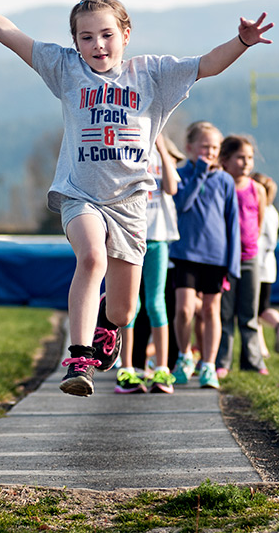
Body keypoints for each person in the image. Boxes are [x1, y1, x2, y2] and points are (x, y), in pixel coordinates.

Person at [0, 0, 272, 397]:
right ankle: (78, 356)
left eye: (106, 34)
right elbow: (6, 31)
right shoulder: (65, 69)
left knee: (126, 311)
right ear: (74, 42)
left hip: (130, 202)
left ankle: (109, 326)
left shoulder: (153, 74)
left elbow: (207, 65)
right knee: (91, 258)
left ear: (126, 34)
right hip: (79, 194)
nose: (97, 45)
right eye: (86, 37)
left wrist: (241, 41)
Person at [169, 121, 241, 389]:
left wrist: (232, 263)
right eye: (204, 147)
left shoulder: (224, 180)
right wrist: (198, 173)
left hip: (216, 257)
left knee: (212, 311)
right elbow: (183, 204)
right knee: (184, 309)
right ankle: (184, 356)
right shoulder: (180, 175)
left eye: (214, 147)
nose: (210, 152)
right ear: (189, 148)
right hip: (186, 253)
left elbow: (232, 222)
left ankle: (209, 364)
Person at [115, 135, 181, 394]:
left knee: (156, 302)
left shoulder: (159, 151)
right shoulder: (128, 147)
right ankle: (128, 368)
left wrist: (163, 149)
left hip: (158, 236)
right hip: (131, 235)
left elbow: (172, 187)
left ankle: (162, 369)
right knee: (131, 304)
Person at [216, 136, 268, 378]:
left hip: (250, 259)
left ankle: (253, 361)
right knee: (224, 314)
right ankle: (222, 361)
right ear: (225, 160)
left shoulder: (257, 189)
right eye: (240, 158)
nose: (246, 163)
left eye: (249, 158)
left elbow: (258, 221)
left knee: (249, 313)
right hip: (225, 260)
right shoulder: (221, 184)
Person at [251, 172, 279, 356]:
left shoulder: (259, 211)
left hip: (257, 265)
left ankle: (277, 326)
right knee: (262, 307)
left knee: (256, 311)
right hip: (269, 267)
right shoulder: (273, 212)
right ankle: (262, 348)